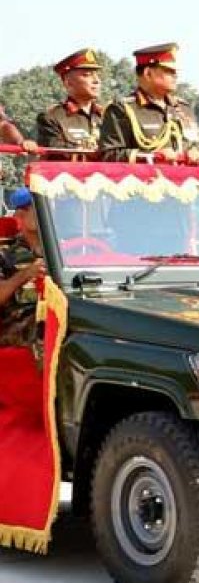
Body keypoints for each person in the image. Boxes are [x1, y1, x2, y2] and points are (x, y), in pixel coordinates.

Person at [98, 43, 199, 164]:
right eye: (169, 71)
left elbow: (196, 146)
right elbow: (109, 155)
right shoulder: (122, 109)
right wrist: (152, 157)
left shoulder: (183, 108)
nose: (175, 75)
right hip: (143, 175)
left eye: (175, 71)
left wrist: (195, 152)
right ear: (148, 73)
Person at [0, 189, 48, 364]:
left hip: (55, 313)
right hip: (18, 324)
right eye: (39, 208)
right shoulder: (5, 252)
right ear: (21, 214)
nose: (46, 215)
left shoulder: (61, 250)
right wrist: (26, 274)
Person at [36, 48, 105, 152]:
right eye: (87, 75)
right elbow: (54, 150)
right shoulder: (52, 117)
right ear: (68, 83)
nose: (96, 81)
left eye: (97, 75)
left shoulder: (107, 116)